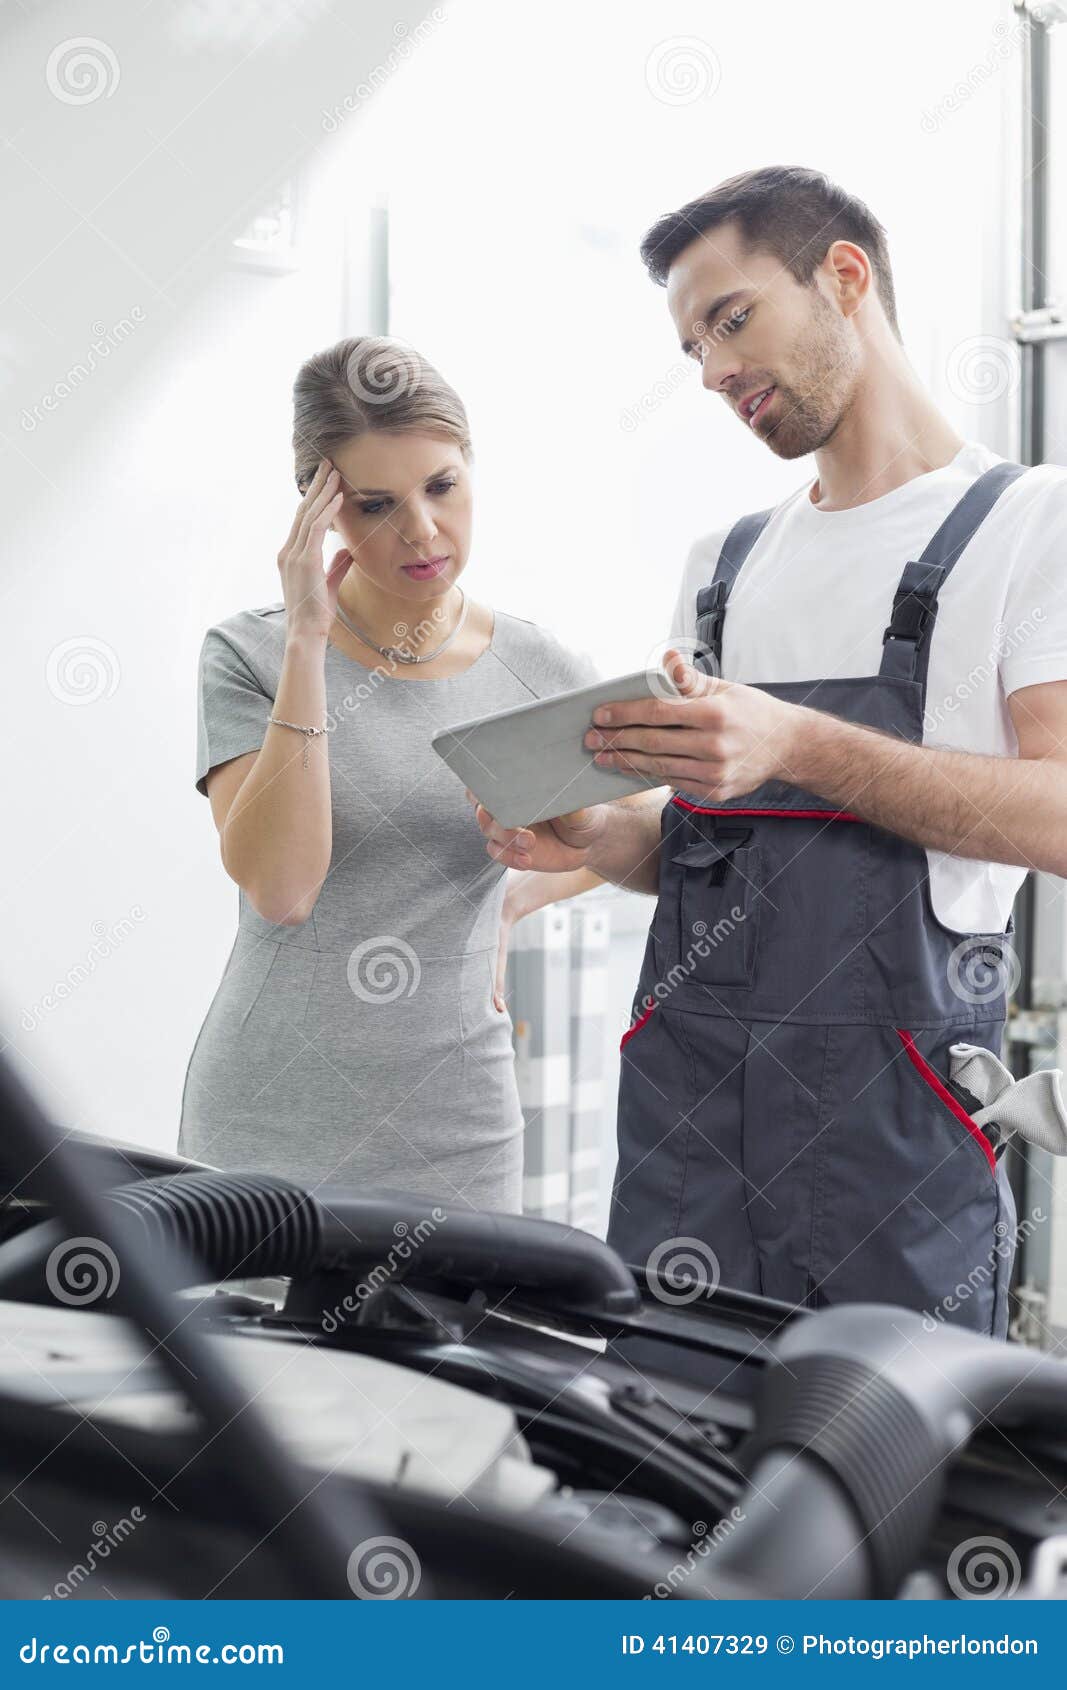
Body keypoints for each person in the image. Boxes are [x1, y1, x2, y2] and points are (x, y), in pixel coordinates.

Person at [470, 166, 1067, 1339]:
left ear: (842, 277)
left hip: (894, 1157)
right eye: (691, 347)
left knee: (886, 1486)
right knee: (653, 1474)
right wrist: (598, 832)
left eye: (730, 318)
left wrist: (793, 739)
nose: (713, 371)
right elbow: (701, 850)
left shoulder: (1026, 524)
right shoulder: (722, 565)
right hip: (690, 1138)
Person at [178, 335, 619, 1211]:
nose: (421, 531)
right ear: (320, 512)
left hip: (458, 1128)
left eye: (441, 487)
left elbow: (641, 834)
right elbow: (282, 889)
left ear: (469, 469)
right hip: (266, 1125)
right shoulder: (249, 654)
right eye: (376, 504)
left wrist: (517, 897)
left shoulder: (536, 664)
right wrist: (308, 639)